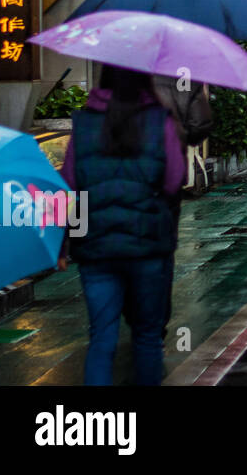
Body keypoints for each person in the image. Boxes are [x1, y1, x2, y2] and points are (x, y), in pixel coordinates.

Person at [59, 65, 186, 386]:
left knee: (101, 338)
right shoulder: (160, 121)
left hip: (95, 248)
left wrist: (63, 242)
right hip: (148, 248)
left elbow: (69, 187)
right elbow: (174, 181)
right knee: (146, 337)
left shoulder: (84, 123)